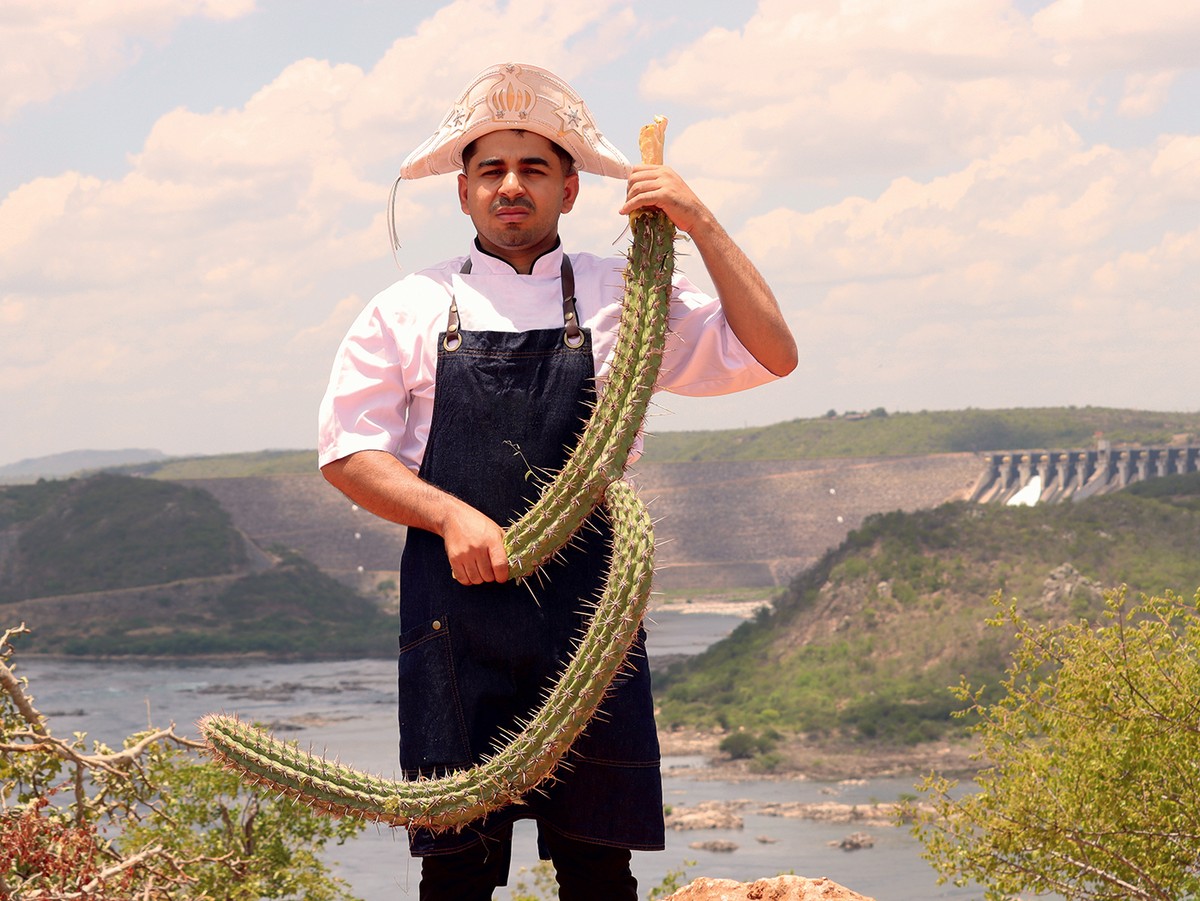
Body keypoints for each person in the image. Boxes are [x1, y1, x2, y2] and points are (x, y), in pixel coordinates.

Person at [317, 62, 797, 901]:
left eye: (533, 168)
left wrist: (699, 219)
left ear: (569, 189)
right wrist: (452, 518)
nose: (511, 186)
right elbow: (348, 451)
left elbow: (772, 353)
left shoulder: (628, 293)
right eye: (492, 170)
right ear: (463, 191)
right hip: (455, 619)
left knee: (598, 865)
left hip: (591, 622)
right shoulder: (406, 308)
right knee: (456, 872)